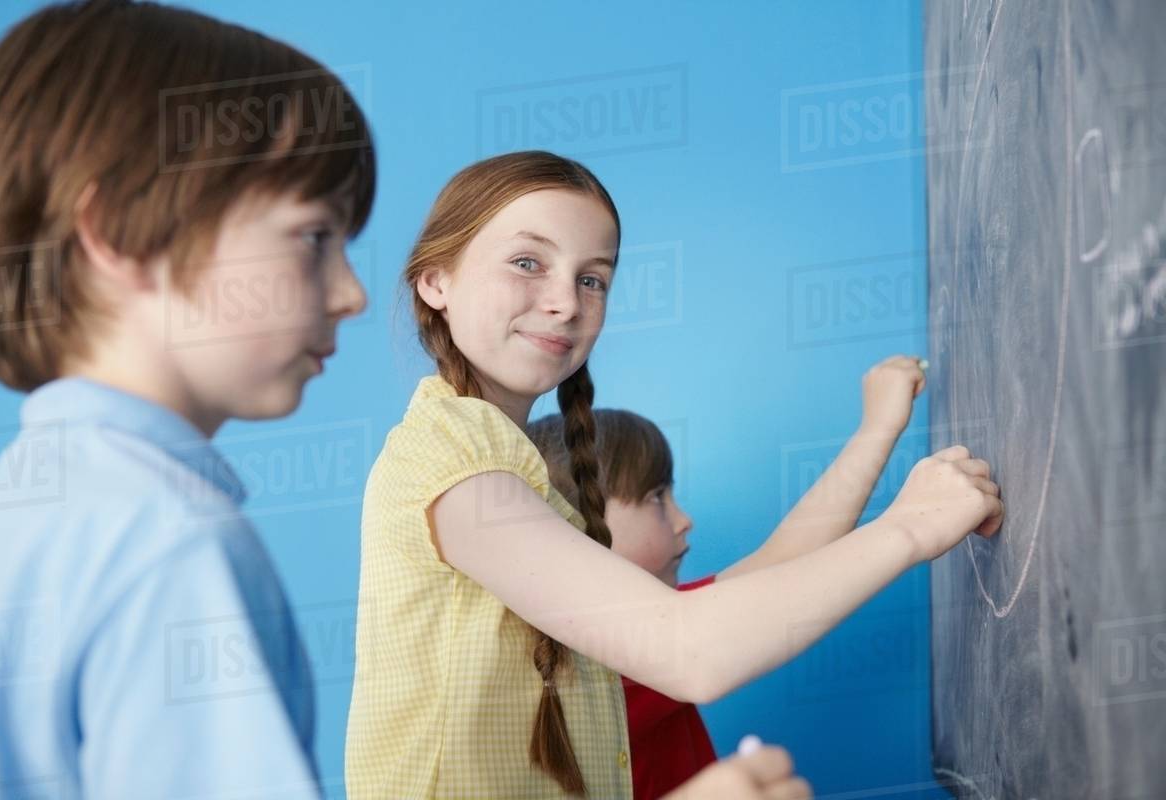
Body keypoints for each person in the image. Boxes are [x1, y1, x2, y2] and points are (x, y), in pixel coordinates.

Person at [344, 150, 1003, 798]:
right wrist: (910, 528)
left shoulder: (514, 480)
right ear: (436, 282)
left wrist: (880, 441)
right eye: (526, 263)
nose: (565, 303)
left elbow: (768, 576)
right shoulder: (453, 454)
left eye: (592, 279)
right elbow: (692, 652)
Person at [0, 1, 372, 795]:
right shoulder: (170, 543)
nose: (352, 294)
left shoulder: (23, 507)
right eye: (314, 237)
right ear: (120, 229)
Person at [526, 354, 928, 798]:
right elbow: (788, 560)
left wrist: (878, 427)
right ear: (581, 525)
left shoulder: (646, 623)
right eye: (657, 498)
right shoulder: (608, 657)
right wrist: (881, 436)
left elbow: (785, 560)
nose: (684, 520)